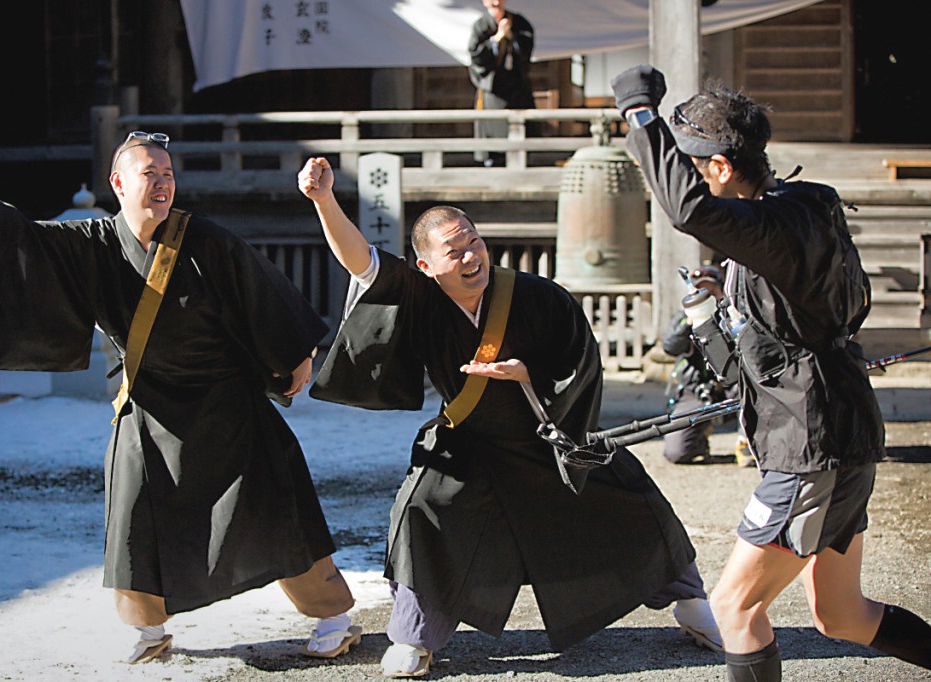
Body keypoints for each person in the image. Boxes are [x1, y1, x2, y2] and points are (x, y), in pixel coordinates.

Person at [0, 133, 360, 664]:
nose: (163, 183)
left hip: (227, 403)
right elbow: (22, 238)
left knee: (277, 504)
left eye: (168, 173)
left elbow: (262, 294)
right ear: (119, 183)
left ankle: (334, 614)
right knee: (133, 516)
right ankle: (149, 630)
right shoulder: (95, 242)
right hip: (149, 404)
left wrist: (295, 355)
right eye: (150, 173)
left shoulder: (207, 240)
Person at [298, 156, 723, 678]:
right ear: (427, 267)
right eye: (454, 251)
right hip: (467, 443)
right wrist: (324, 201)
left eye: (473, 241)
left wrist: (529, 375)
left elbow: (581, 360)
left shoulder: (537, 297)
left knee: (629, 499)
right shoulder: (421, 299)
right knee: (421, 514)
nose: (471, 256)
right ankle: (415, 637)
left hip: (548, 436)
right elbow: (361, 261)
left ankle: (692, 605)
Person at [612, 65, 931, 680]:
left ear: (723, 168)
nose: (688, 179)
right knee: (841, 614)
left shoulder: (777, 223)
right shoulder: (798, 208)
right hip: (842, 434)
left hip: (812, 447)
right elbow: (750, 360)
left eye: (693, 165)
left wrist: (639, 112)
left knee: (734, 605)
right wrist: (714, 311)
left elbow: (688, 211)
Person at [661, 265, 753, 467]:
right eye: (702, 291)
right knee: (676, 452)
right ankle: (699, 439)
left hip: (733, 387)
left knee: (753, 391)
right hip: (697, 389)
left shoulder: (735, 314)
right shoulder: (684, 317)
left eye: (711, 291)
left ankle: (747, 441)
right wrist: (691, 321)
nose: (707, 295)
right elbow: (669, 346)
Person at [468, 0, 535, 167]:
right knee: (492, 138)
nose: (496, 2)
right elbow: (476, 56)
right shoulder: (480, 25)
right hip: (493, 90)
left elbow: (526, 50)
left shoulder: (519, 23)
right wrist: (497, 39)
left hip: (516, 88)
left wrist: (511, 36)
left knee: (520, 136)